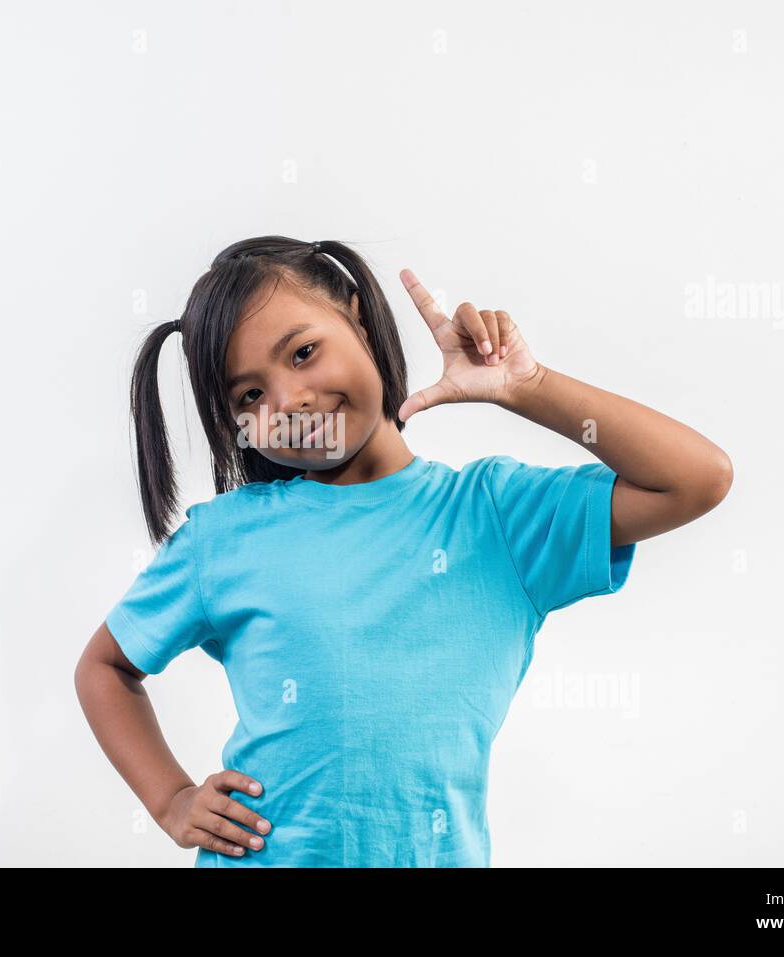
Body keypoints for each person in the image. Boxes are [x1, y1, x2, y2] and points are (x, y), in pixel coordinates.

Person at [74, 236, 733, 866]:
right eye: (250, 394)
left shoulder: (495, 517)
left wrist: (527, 387)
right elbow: (104, 666)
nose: (290, 400)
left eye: (302, 352)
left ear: (358, 319)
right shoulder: (223, 539)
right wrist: (171, 798)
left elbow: (696, 478)